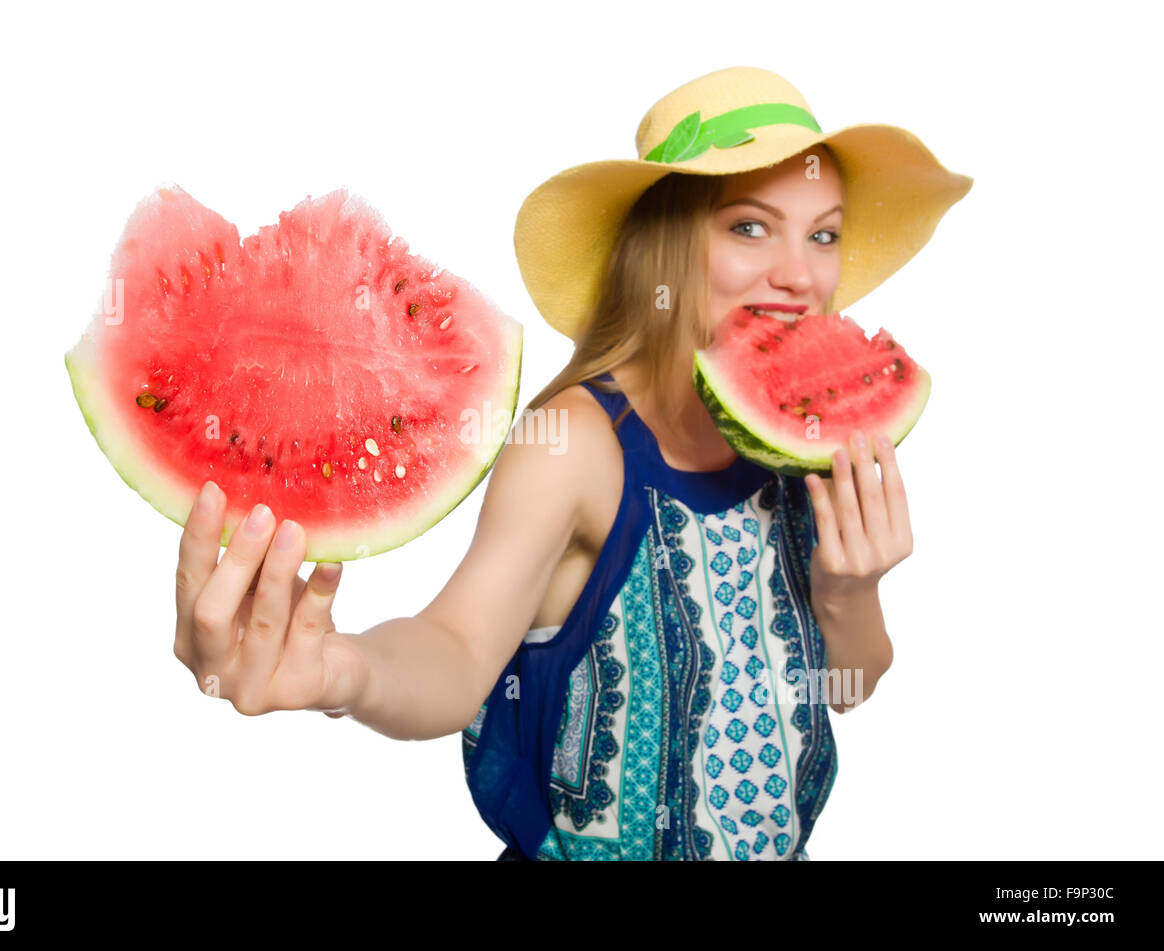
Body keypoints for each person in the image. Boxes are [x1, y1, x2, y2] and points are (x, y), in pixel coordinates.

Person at [171, 66, 972, 860]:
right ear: (666, 243)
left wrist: (849, 590)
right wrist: (346, 671)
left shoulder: (798, 440)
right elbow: (456, 648)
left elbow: (850, 688)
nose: (801, 275)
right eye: (750, 227)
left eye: (823, 234)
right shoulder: (576, 444)